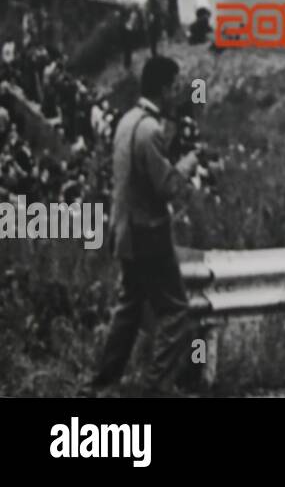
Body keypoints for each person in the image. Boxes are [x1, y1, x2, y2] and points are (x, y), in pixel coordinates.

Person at [89, 55, 201, 394]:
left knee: (129, 309)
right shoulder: (150, 130)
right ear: (164, 88)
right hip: (148, 233)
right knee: (177, 311)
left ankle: (102, 384)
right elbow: (166, 188)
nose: (178, 93)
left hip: (124, 230)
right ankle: (153, 387)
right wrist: (190, 162)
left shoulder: (128, 121)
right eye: (175, 86)